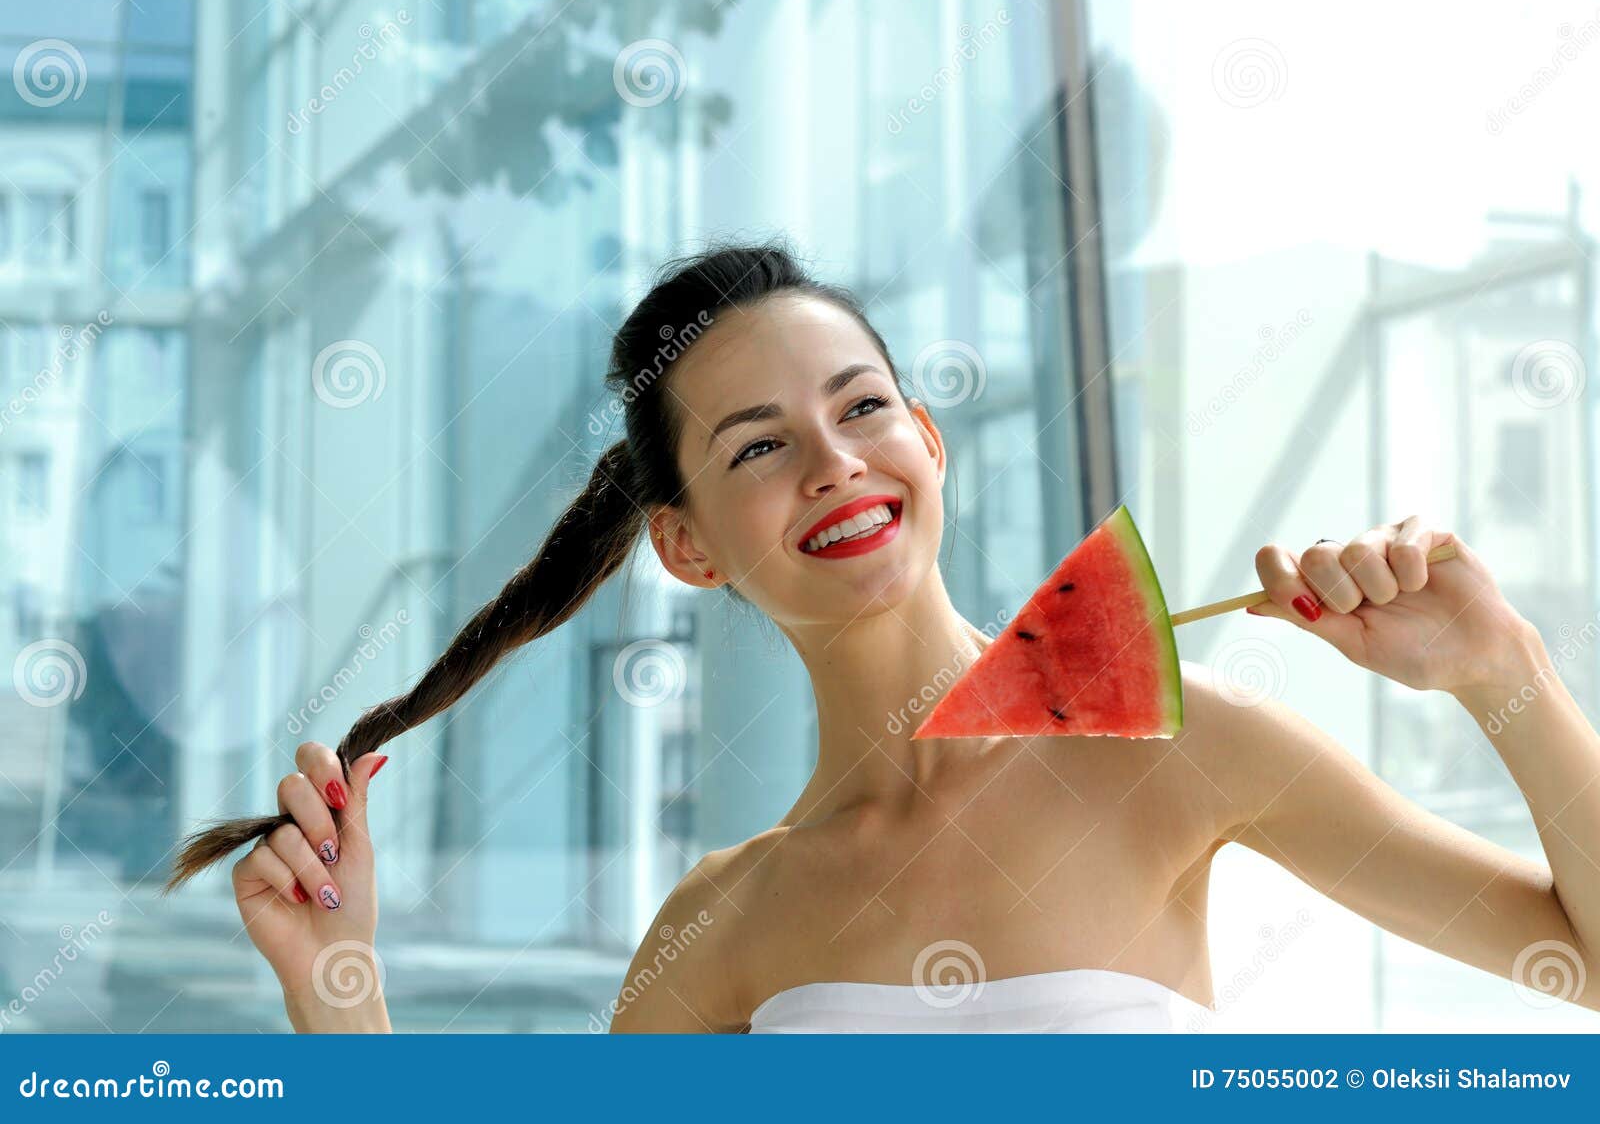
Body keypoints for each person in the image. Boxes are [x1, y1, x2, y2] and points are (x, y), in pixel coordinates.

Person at [185, 242, 1600, 1032]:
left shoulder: (1176, 742)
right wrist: (335, 983)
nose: (836, 463)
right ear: (686, 545)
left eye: (863, 409)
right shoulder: (717, 924)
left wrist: (1505, 674)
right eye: (757, 445)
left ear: (928, 440)